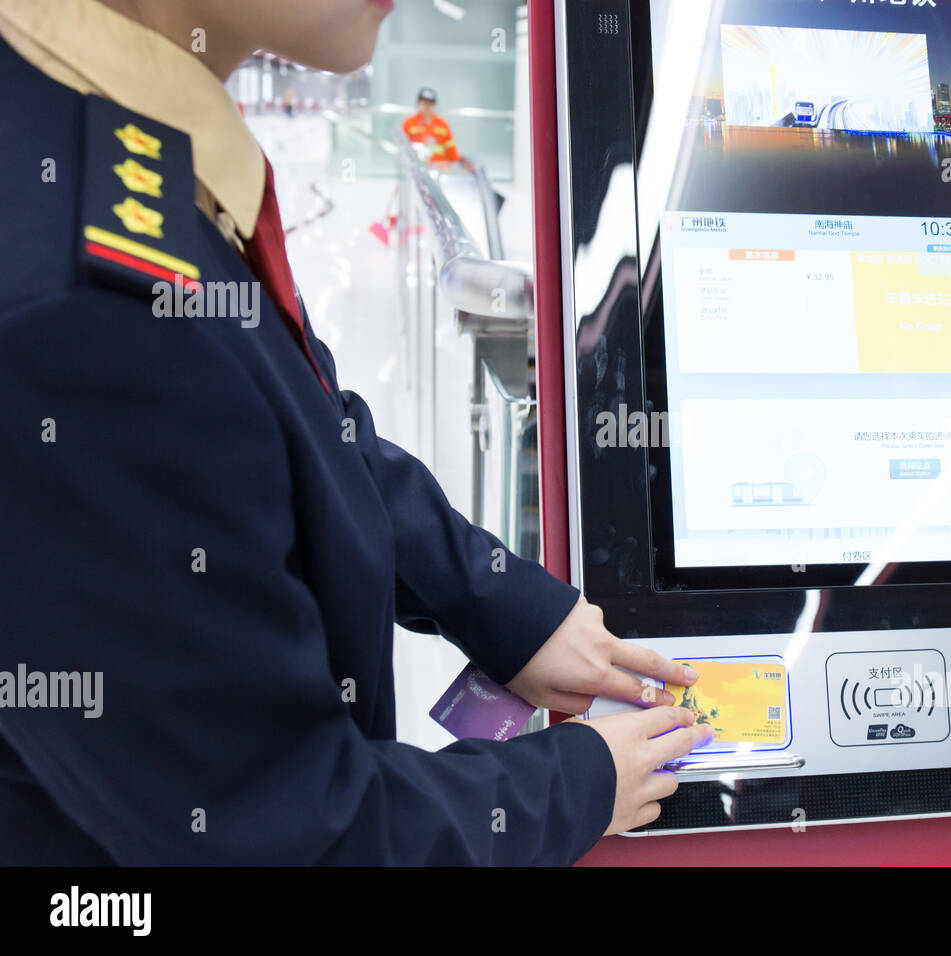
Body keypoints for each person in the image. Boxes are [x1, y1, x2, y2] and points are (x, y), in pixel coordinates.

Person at [0, 0, 709, 865]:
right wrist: (573, 783)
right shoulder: (83, 314)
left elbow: (307, 430)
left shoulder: (96, 130)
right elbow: (284, 831)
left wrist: (501, 605)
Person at [402, 86, 462, 165]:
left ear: (434, 104)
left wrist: (456, 164)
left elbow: (451, 150)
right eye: (424, 102)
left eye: (430, 103)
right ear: (419, 103)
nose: (427, 106)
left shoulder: (443, 124)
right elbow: (402, 149)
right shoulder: (409, 123)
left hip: (440, 168)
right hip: (417, 169)